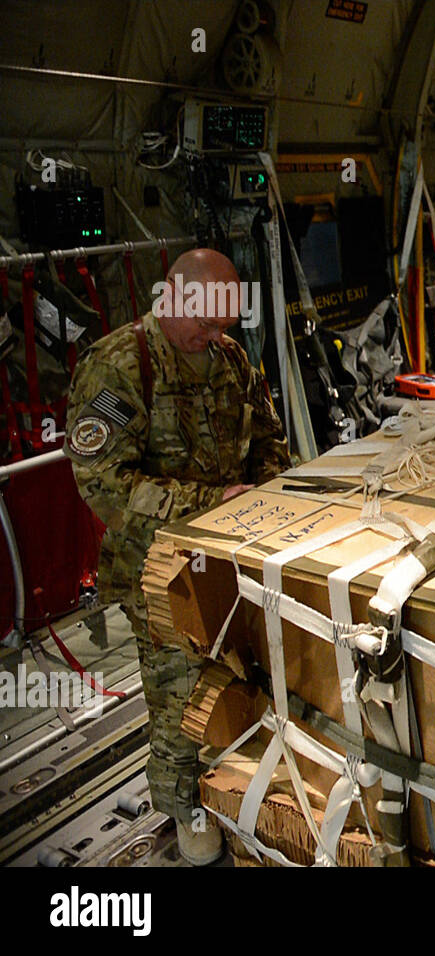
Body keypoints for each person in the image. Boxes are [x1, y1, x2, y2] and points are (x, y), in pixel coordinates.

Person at [66, 248, 291, 865]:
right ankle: (183, 804)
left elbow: (269, 442)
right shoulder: (119, 367)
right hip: (158, 567)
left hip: (235, 552)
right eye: (206, 322)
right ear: (174, 297)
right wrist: (211, 501)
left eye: (225, 324)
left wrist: (275, 503)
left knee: (245, 674)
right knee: (179, 692)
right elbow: (102, 480)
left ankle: (238, 782)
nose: (215, 335)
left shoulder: (230, 360)